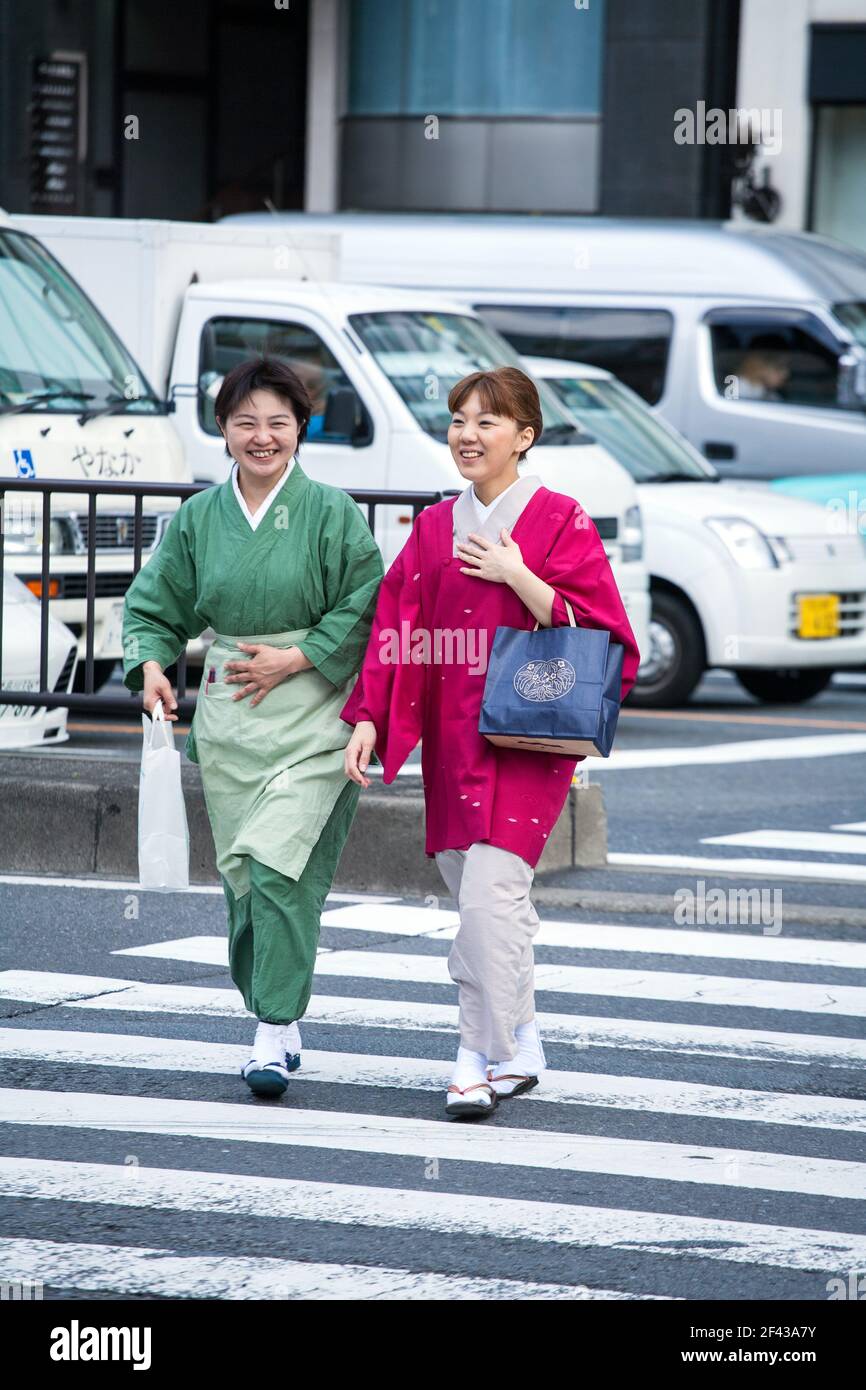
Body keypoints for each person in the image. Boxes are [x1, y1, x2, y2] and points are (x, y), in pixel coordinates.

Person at [341, 366, 641, 1119]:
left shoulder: (559, 518)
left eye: (487, 422)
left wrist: (520, 574)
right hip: (451, 742)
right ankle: (523, 1038)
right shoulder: (436, 526)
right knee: (487, 903)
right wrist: (372, 716)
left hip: (525, 743)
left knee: (487, 900)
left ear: (525, 437)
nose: (467, 436)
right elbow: (397, 626)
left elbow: (607, 637)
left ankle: (473, 1058)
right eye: (458, 421)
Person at [122, 356, 384, 1097]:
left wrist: (298, 656)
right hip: (235, 717)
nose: (262, 437)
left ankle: (269, 1030)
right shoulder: (201, 519)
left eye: (278, 422)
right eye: (246, 423)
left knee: (279, 869)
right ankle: (277, 1014)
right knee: (243, 881)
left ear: (302, 427)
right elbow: (154, 608)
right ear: (224, 430)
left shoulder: (331, 511)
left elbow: (368, 601)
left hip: (317, 718)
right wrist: (150, 665)